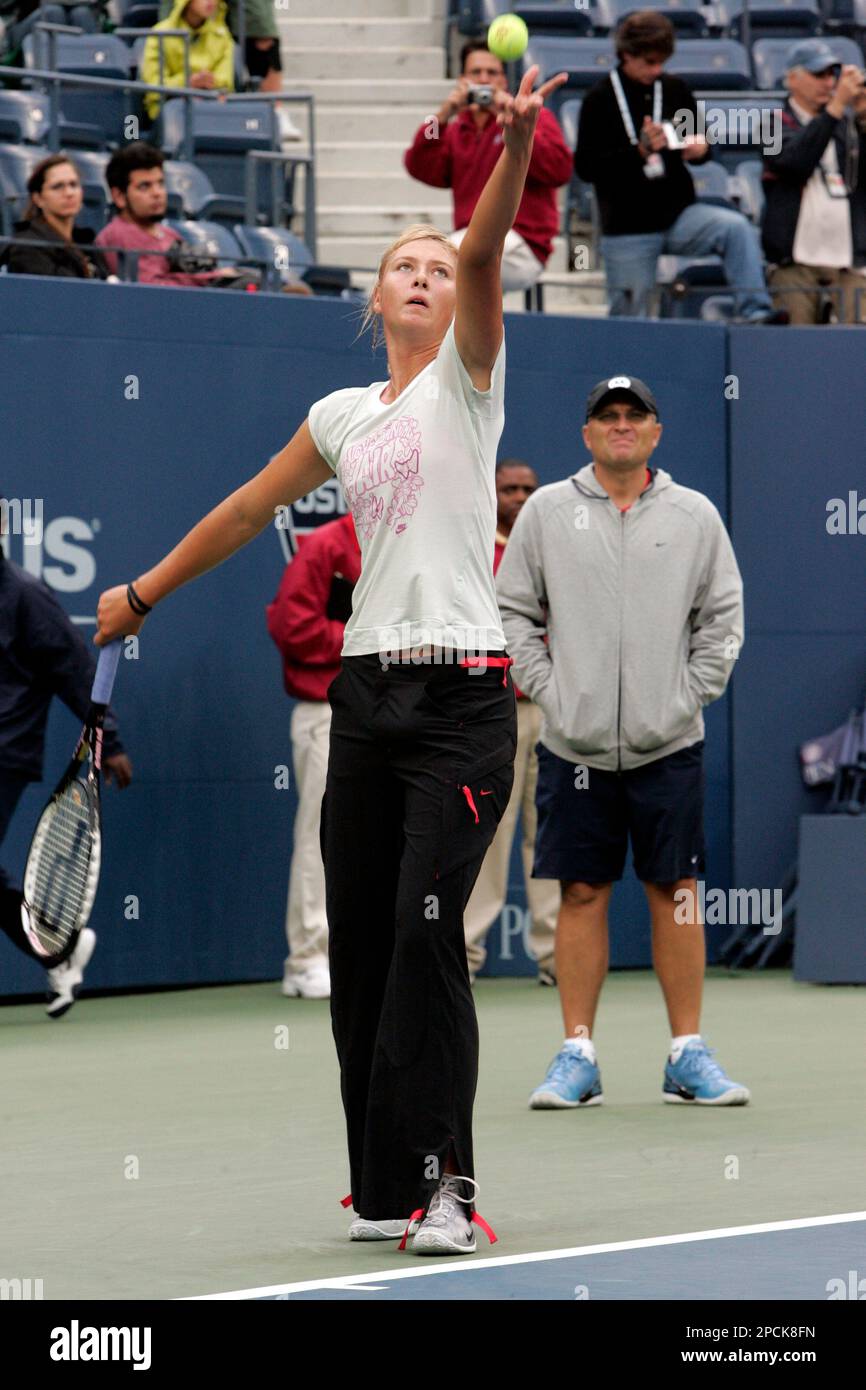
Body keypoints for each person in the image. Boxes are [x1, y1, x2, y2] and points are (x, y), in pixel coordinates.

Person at [93, 63, 567, 1256]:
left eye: (436, 263)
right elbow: (249, 509)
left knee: (424, 931)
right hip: (364, 699)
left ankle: (452, 1186)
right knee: (360, 943)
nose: (424, 272)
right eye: (402, 264)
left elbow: (484, 247)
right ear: (373, 297)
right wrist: (143, 592)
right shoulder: (343, 415)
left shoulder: (471, 377)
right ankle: (385, 1185)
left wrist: (505, 151)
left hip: (461, 695)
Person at [496, 375, 750, 1111]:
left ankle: (686, 1054)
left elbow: (723, 618)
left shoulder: (694, 515)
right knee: (579, 892)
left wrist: (684, 696)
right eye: (606, 417)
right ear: (588, 434)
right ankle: (578, 1054)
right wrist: (550, 688)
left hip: (668, 743)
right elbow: (512, 612)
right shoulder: (546, 512)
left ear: (654, 432)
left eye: (633, 416)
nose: (620, 426)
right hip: (572, 747)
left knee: (676, 894)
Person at [0, 516, 132, 1018]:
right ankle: (60, 945)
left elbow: (74, 667)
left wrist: (111, 739)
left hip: (5, 750)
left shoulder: (25, 596)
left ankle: (59, 945)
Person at [575, 10, 783, 322]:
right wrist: (639, 151)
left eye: (661, 62)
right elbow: (587, 167)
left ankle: (755, 313)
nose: (656, 70)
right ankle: (628, 367)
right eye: (648, 62)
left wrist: (701, 149)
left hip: (679, 215)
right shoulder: (600, 99)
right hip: (627, 226)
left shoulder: (674, 89)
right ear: (626, 55)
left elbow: (703, 145)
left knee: (736, 228)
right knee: (630, 316)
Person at [463, 459, 559, 986]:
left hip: (550, 711)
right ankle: (465, 956)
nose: (520, 497)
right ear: (490, 492)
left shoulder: (552, 550)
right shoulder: (474, 548)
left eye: (528, 488)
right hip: (492, 711)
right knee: (489, 834)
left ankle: (558, 956)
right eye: (509, 489)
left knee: (550, 834)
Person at [265, 512, 361, 1001]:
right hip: (328, 711)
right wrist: (370, 639)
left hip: (397, 711)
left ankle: (362, 958)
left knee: (382, 839)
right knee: (322, 833)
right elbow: (292, 627)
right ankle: (307, 958)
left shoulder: (412, 540)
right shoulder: (326, 544)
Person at [404, 39, 572, 293]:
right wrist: (444, 113)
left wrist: (522, 131)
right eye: (475, 73)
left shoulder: (532, 118)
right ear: (462, 80)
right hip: (470, 241)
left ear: (504, 80)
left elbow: (560, 170)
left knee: (440, 266)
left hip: (522, 244)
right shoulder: (456, 127)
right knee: (422, 263)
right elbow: (418, 164)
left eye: (492, 73)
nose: (484, 80)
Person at [762, 39, 866, 325]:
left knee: (855, 352)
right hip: (795, 264)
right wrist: (835, 108)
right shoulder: (770, 123)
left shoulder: (847, 126)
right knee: (796, 352)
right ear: (792, 79)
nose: (827, 82)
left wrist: (863, 114)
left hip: (848, 262)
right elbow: (793, 163)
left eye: (831, 75)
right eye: (817, 74)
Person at [94, 143, 241, 288]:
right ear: (119, 196)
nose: (157, 193)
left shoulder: (169, 234)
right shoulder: (119, 234)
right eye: (145, 186)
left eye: (160, 183)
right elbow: (150, 290)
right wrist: (211, 278)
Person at [1, 154, 112, 281]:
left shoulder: (86, 242)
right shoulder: (27, 246)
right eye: (58, 187)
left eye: (73, 184)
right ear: (38, 198)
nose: (69, 193)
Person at [142, 0, 234, 122]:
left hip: (211, 106)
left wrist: (211, 82)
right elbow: (153, 87)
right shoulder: (159, 33)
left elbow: (226, 82)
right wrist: (188, 82)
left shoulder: (222, 34)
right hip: (170, 112)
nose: (211, 1)